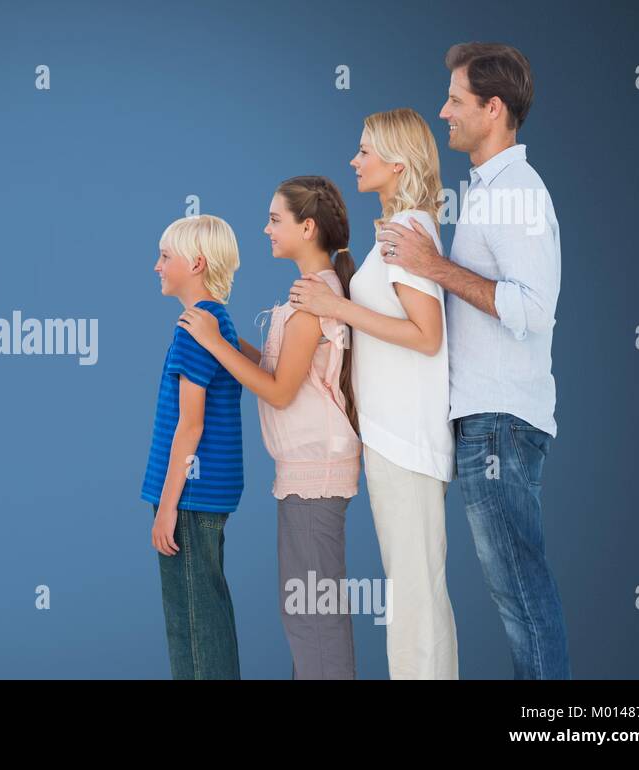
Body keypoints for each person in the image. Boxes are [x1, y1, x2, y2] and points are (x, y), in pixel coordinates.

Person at [376, 43, 568, 679]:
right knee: (517, 594)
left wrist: (431, 267)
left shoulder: (519, 192)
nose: (444, 111)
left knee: (522, 597)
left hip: (502, 421)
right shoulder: (489, 191)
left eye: (456, 100)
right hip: (488, 422)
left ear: (494, 108)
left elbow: (533, 307)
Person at [289, 108, 458, 679]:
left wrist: (336, 308)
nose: (353, 161)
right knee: (413, 586)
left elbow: (427, 336)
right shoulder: (401, 228)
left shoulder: (406, 231)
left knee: (413, 589)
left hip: (406, 437)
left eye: (364, 151)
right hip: (391, 436)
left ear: (397, 162)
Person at [179, 177, 359, 679]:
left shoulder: (314, 298)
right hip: (303, 479)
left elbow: (280, 391)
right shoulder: (311, 293)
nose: (266, 229)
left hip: (314, 480)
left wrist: (216, 346)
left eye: (276, 220)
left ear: (307, 226)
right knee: (306, 615)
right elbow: (287, 373)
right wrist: (232, 341)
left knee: (314, 620)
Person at [141, 214, 245, 679]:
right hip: (200, 495)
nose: (157, 267)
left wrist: (167, 506)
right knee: (200, 616)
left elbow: (191, 425)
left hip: (188, 497)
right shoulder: (213, 322)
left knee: (193, 625)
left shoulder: (196, 327)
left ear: (197, 263)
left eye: (166, 257)